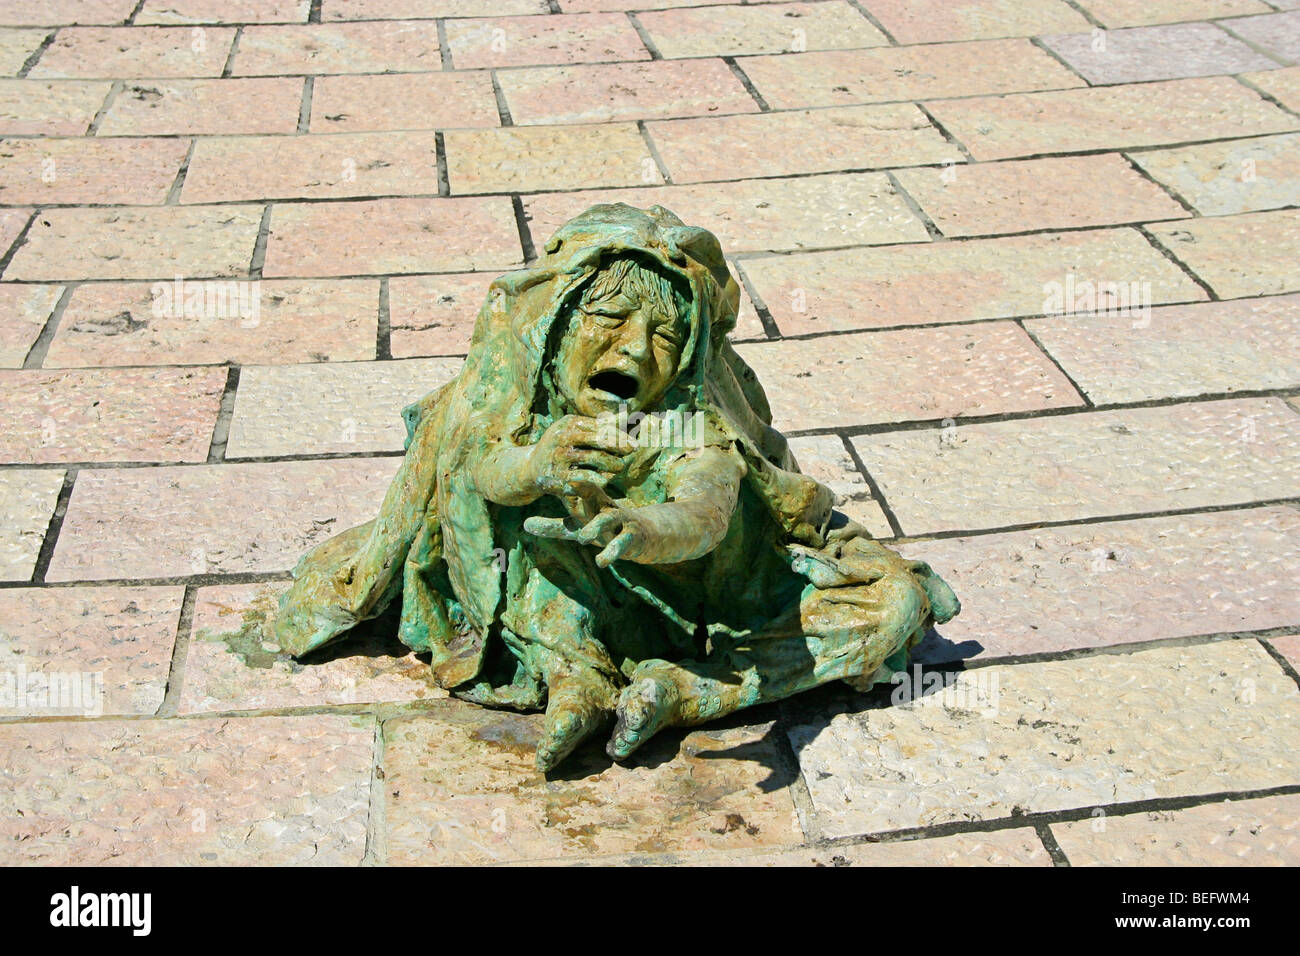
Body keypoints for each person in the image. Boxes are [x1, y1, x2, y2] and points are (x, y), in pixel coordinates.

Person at [272, 203, 959, 771]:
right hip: (553, 601)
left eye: (664, 335)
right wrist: (535, 465)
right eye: (609, 320)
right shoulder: (513, 405)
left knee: (893, 606)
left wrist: (644, 528)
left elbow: (707, 507)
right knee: (523, 528)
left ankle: (687, 692)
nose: (634, 351)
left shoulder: (685, 425)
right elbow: (480, 466)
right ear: (557, 325)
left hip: (713, 610)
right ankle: (577, 671)